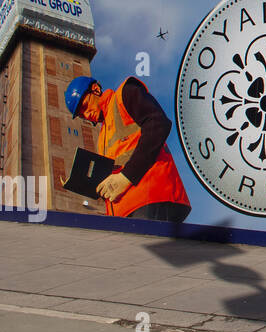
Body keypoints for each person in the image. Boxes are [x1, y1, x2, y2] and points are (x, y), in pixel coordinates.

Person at [65, 74, 191, 222]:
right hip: (124, 212)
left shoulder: (124, 95)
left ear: (96, 89)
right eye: (82, 115)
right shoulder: (103, 135)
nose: (87, 114)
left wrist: (127, 176)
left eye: (85, 106)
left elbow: (158, 123)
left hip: (151, 197)